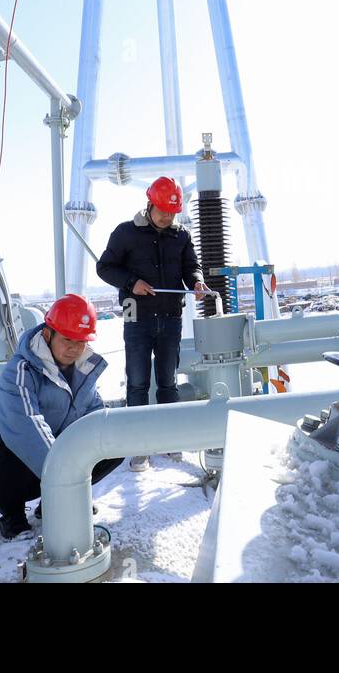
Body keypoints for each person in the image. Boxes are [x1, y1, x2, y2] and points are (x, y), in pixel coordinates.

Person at [0, 294, 122, 539]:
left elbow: (94, 418)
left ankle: (50, 503)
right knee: (13, 447)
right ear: (48, 335)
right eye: (67, 339)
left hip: (41, 464)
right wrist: (67, 483)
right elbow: (25, 428)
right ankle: (12, 517)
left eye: (81, 341)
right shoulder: (20, 371)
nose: (75, 348)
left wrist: (111, 439)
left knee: (112, 443)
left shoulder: (81, 370)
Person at [96, 176, 208, 471]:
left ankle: (170, 440)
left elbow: (191, 267)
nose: (167, 217)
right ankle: (138, 446)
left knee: (168, 382)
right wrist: (132, 283)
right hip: (136, 316)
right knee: (137, 382)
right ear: (149, 205)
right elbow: (104, 267)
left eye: (172, 212)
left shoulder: (181, 236)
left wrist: (196, 282)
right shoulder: (125, 233)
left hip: (170, 317)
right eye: (162, 211)